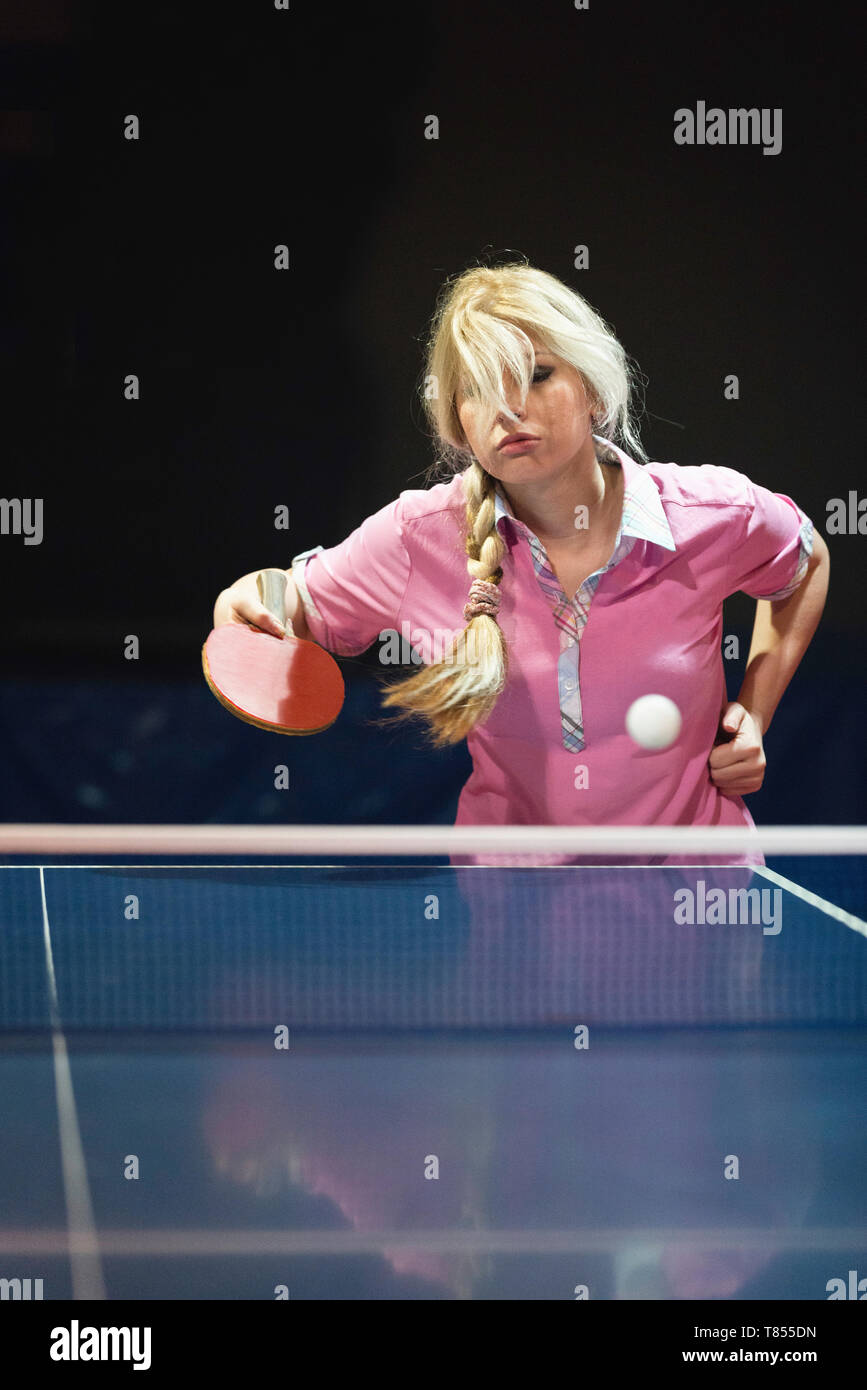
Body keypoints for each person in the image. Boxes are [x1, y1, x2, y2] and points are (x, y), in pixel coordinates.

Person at [213, 261, 829, 865]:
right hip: (515, 915)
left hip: (699, 900)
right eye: (479, 389)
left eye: (536, 375)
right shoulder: (416, 538)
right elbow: (285, 602)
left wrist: (754, 711)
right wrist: (247, 600)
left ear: (592, 391)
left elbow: (806, 562)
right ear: (459, 422)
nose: (508, 409)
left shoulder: (711, 513)